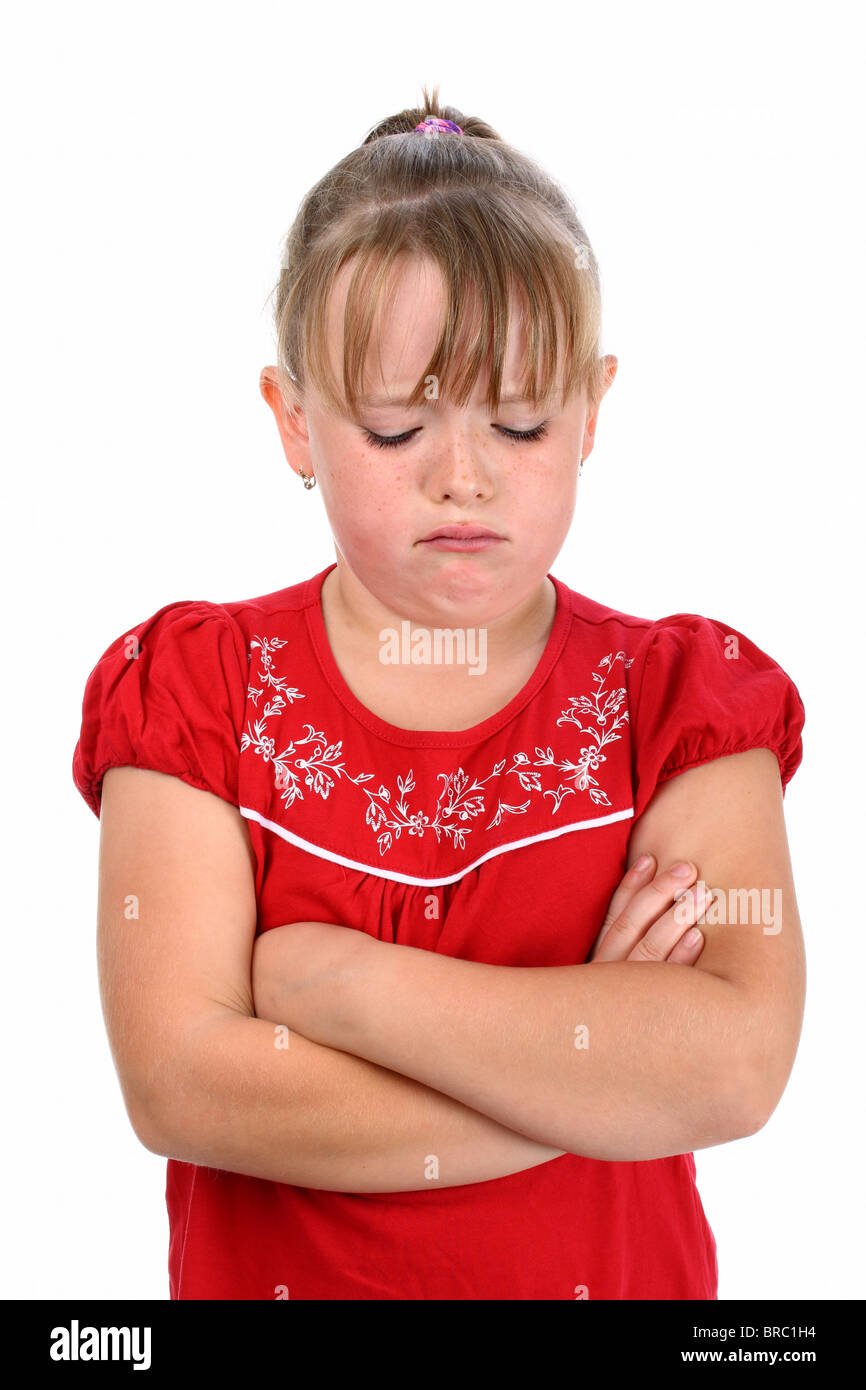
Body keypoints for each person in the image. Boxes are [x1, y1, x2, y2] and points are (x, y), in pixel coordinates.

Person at [71, 84, 806, 1300]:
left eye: (518, 425)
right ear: (294, 420)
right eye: (392, 429)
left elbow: (730, 1068)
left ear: (589, 413)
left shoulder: (681, 702)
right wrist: (593, 1070)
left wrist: (336, 986)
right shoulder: (198, 693)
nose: (461, 478)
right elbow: (183, 1085)